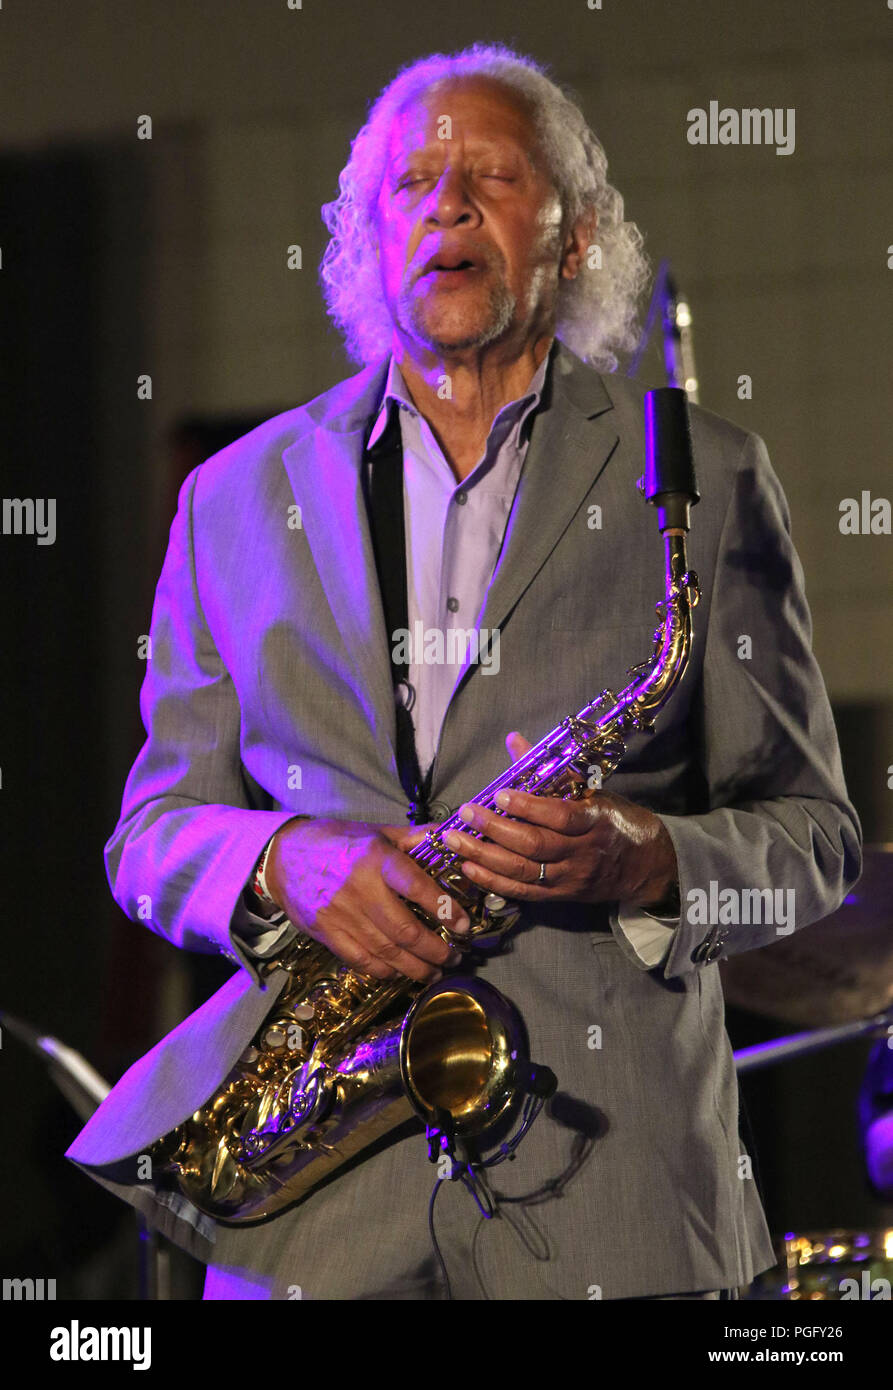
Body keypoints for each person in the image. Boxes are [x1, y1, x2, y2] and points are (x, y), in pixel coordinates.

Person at [67, 42, 862, 1301]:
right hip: (310, 1222)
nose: (445, 203)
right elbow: (149, 835)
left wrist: (648, 858)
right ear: (364, 242)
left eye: (488, 175)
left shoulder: (707, 476)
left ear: (574, 233)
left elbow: (815, 842)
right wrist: (286, 862)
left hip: (620, 1209)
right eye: (410, 182)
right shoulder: (232, 498)